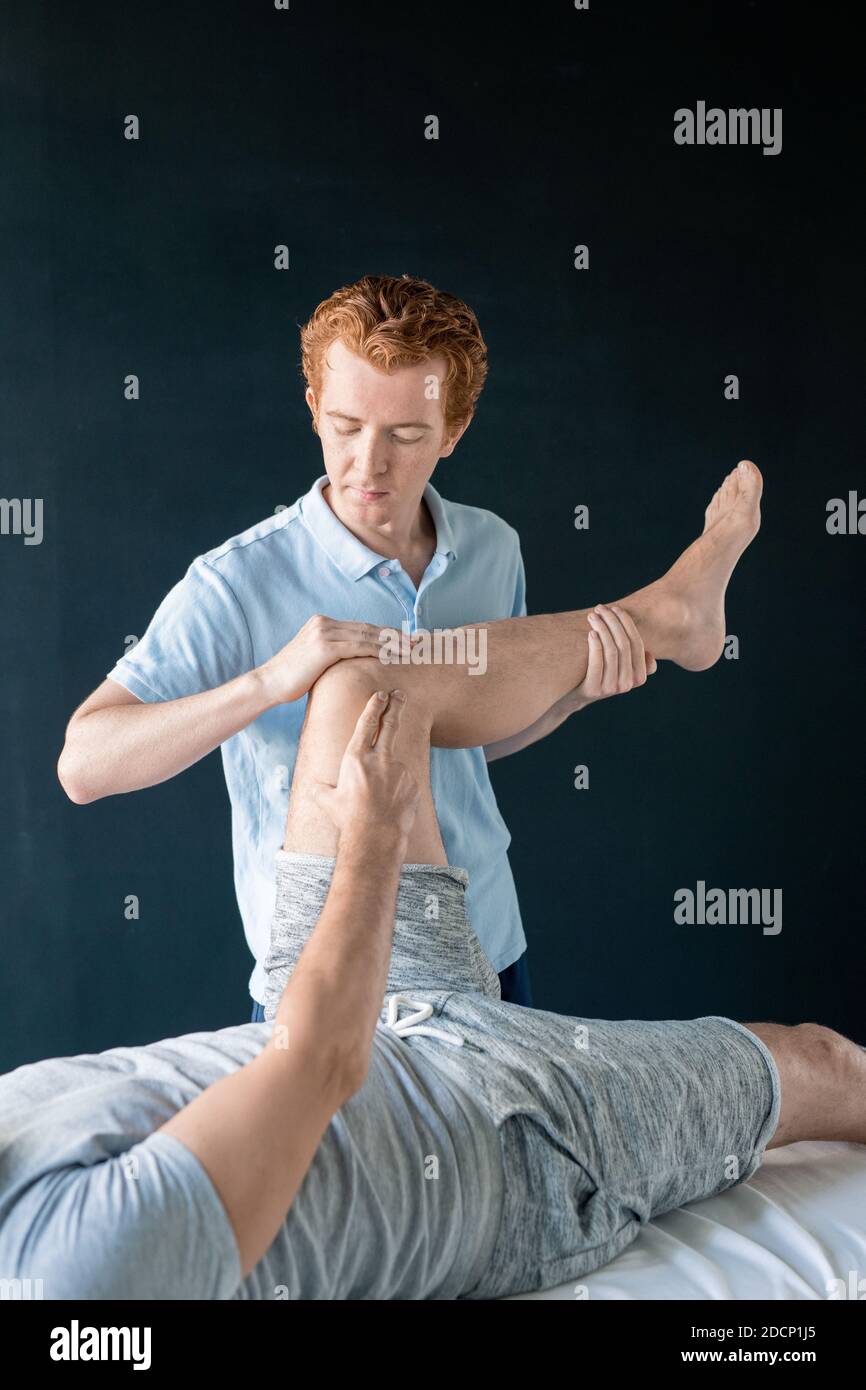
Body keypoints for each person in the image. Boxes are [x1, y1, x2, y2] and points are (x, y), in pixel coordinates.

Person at [7, 460, 866, 1300]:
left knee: (361, 691)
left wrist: (569, 691)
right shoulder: (85, 1259)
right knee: (820, 1060)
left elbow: (478, 737)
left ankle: (668, 615)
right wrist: (349, 793)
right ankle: (667, 614)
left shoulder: (486, 546)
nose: (372, 460)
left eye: (407, 431)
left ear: (450, 432)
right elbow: (322, 1063)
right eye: (347, 427)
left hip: (364, 981)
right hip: (478, 1134)